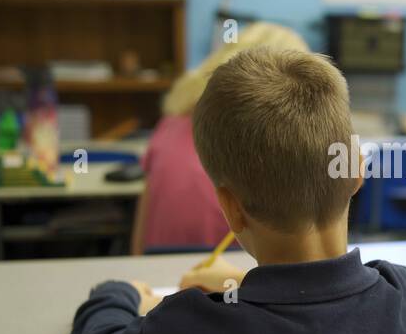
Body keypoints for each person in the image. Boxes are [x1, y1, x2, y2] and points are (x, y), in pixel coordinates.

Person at [46, 48, 406, 334]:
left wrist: (116, 294)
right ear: (356, 172)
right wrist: (241, 283)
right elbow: (316, 313)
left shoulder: (187, 331)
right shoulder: (404, 294)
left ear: (231, 208)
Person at [131, 22, 309, 254]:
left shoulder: (170, 122)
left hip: (154, 269)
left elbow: (140, 233)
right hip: (229, 274)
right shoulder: (263, 141)